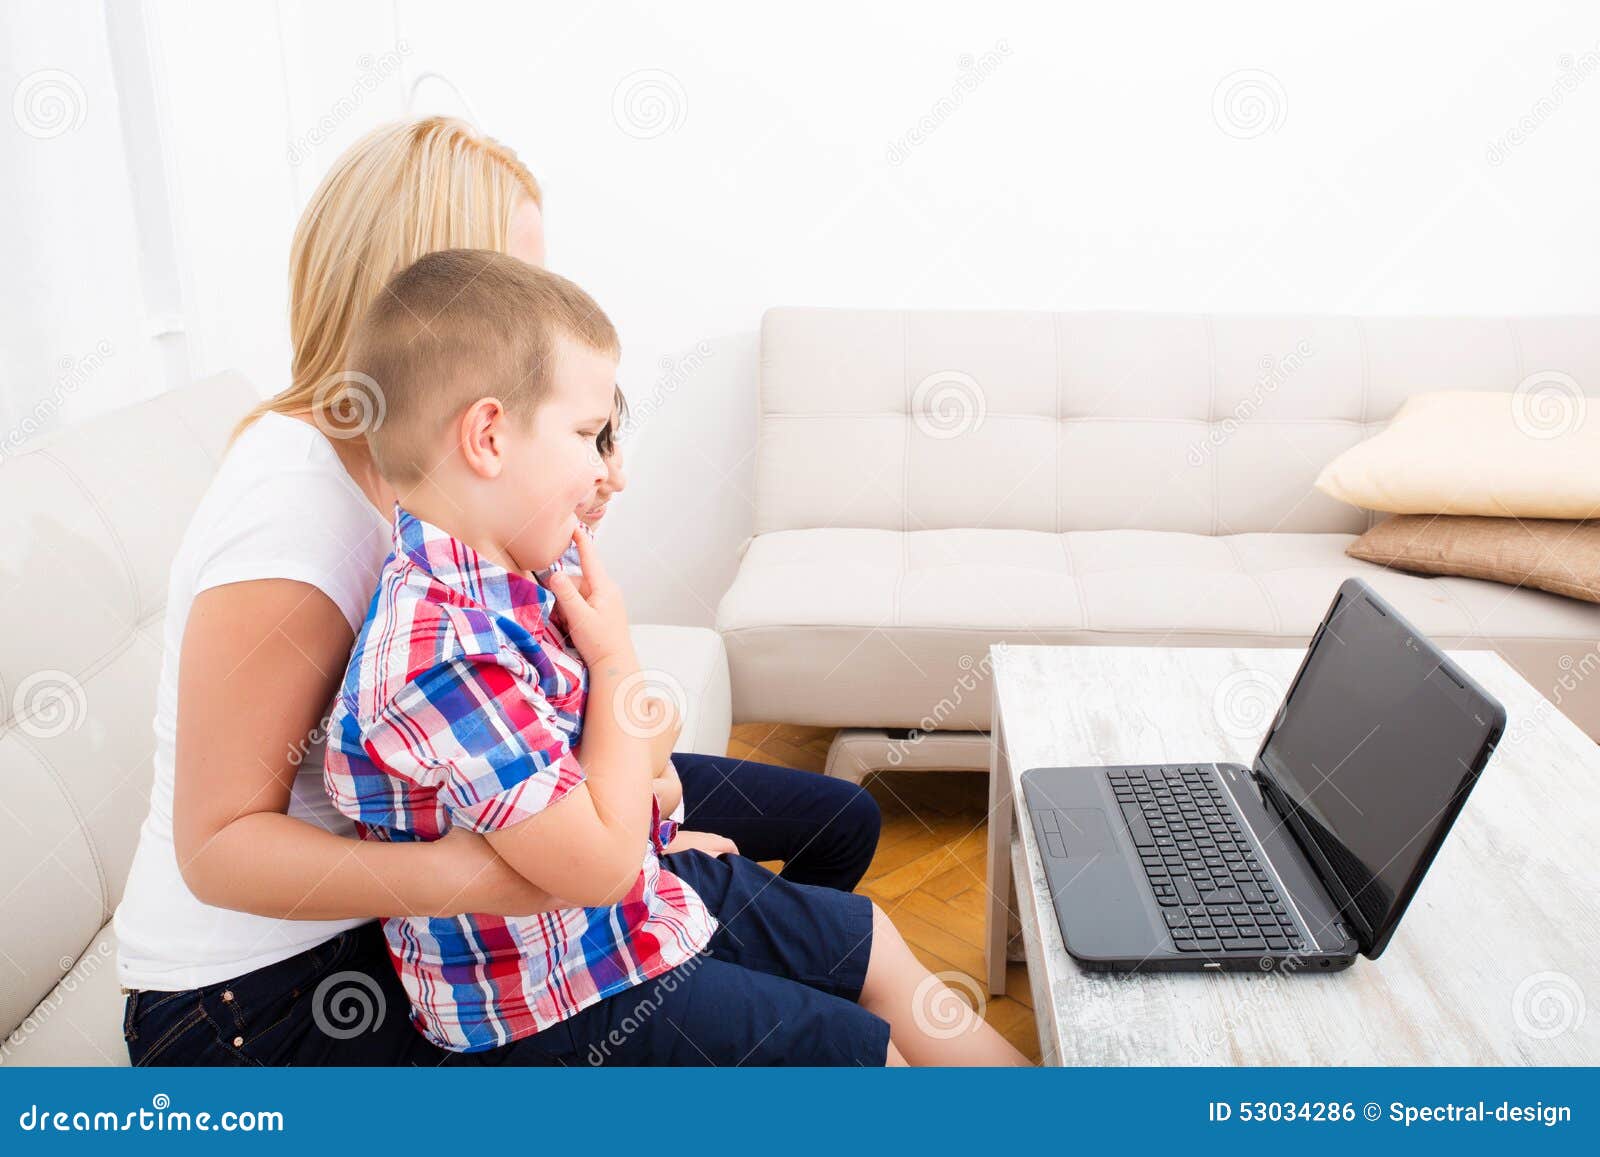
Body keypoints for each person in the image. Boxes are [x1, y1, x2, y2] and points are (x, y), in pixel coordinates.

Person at [114, 116, 879, 1066]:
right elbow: (220, 846)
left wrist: (643, 823)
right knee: (759, 971)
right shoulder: (293, 510)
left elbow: (519, 688)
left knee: (834, 821)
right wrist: (483, 876)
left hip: (452, 824)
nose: (539, 308)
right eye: (520, 279)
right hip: (254, 1001)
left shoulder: (428, 472)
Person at [323, 249, 1030, 1065]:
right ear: (488, 436)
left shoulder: (517, 570)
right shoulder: (441, 657)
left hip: (623, 909)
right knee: (864, 1057)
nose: (604, 468)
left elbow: (637, 755)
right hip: (565, 1001)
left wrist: (651, 811)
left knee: (872, 945)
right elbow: (597, 857)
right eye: (589, 436)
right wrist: (617, 659)